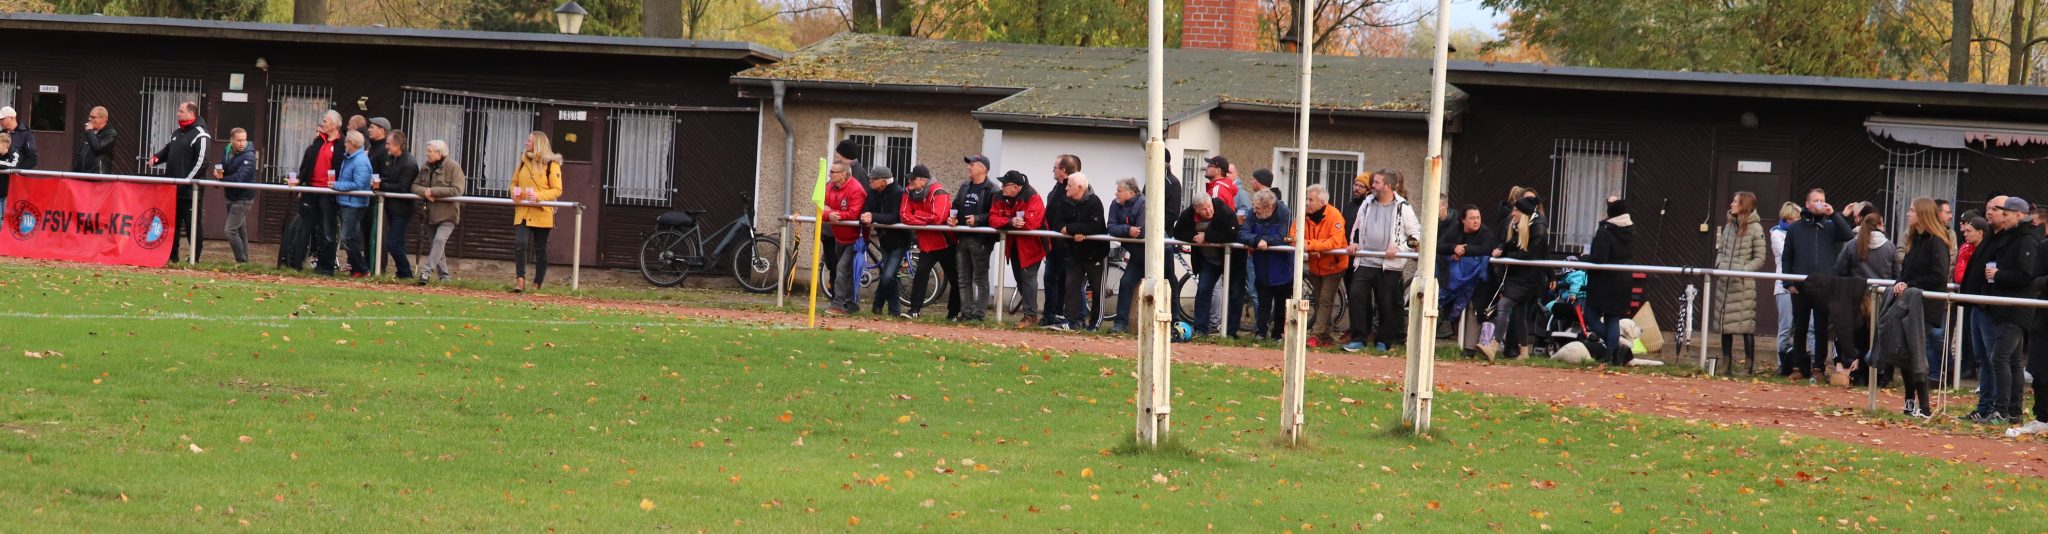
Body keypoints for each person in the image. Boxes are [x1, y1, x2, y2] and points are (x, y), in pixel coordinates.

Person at [1962, 196, 2038, 424]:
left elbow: (2026, 275)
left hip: (2015, 309)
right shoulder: (2014, 237)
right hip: (2005, 307)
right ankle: (2013, 411)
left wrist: (1998, 275)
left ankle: (2002, 410)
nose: (2002, 218)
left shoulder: (2026, 240)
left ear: (2018, 215)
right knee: (2012, 362)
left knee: (1999, 358)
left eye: (2005, 214)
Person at [1344, 170, 1419, 353]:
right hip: (1365, 261)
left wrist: (1400, 249)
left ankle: (1384, 340)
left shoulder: (1403, 207)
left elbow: (1416, 236)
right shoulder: (1367, 203)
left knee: (1387, 303)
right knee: (1356, 296)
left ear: (1388, 186)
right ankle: (1359, 338)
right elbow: (1357, 226)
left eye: (1377, 182)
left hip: (1389, 266)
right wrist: (1353, 243)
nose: (1373, 186)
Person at [1781, 188, 1853, 380]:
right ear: (1807, 204)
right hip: (1801, 285)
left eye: (1822, 200)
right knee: (1800, 327)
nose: (1820, 203)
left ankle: (1819, 368)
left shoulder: (1830, 226)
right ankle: (1797, 367)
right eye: (1816, 200)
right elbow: (1787, 257)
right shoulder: (1795, 228)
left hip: (1823, 285)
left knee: (1821, 328)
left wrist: (1834, 214)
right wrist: (1788, 282)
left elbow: (1848, 235)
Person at [1894, 197, 1953, 406]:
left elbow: (1939, 276)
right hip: (1909, 304)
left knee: (1915, 353)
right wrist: (1901, 283)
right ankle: (1910, 400)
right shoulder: (1913, 240)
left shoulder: (1937, 241)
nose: (1909, 214)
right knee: (1905, 353)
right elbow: (1905, 271)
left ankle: (1924, 405)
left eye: (1912, 210)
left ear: (1923, 214)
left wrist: (1910, 284)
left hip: (1927, 308)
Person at [1481, 194, 1550, 359]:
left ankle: (1493, 346)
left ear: (1524, 213)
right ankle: (1524, 351)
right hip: (1518, 276)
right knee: (1519, 314)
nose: (1512, 213)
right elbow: (1511, 243)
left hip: (1528, 279)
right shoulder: (1518, 225)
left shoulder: (1538, 230)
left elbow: (1533, 255)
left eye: (1516, 210)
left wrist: (1508, 255)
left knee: (1503, 306)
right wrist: (1501, 250)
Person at [1712, 192, 1768, 375]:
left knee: (1746, 326)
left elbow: (1760, 258)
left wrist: (1742, 270)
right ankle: (1726, 364)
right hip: (1725, 282)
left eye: (1735, 201)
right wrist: (1720, 265)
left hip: (1743, 284)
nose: (1732, 203)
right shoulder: (1728, 226)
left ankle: (1748, 367)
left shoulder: (1755, 228)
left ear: (1744, 204)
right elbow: (1721, 251)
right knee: (1724, 326)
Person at [148, 102, 210, 264]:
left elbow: (202, 162)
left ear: (191, 114)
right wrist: (157, 158)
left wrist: (186, 181)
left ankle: (194, 258)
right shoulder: (177, 133)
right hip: (172, 190)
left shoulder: (201, 135)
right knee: (171, 225)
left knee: (192, 225)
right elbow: (169, 149)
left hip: (190, 192)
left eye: (181, 111)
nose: (177, 113)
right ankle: (172, 255)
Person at [287, 111, 346, 275]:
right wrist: (300, 180)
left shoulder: (342, 145)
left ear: (334, 125)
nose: (323, 123)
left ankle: (326, 267)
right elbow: (307, 163)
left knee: (327, 230)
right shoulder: (318, 142)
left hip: (328, 193)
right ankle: (294, 264)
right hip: (311, 190)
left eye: (325, 121)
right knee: (303, 228)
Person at [1172, 191, 1239, 337]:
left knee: (1234, 293)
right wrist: (1194, 237)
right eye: (1203, 209)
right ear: (1196, 209)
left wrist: (1207, 236)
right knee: (1203, 291)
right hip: (1208, 261)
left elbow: (1232, 234)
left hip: (1230, 259)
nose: (1208, 211)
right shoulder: (1188, 214)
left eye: (1209, 207)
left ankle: (1232, 332)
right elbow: (1177, 232)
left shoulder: (1223, 210)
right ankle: (1201, 329)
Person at [988, 170, 1047, 327]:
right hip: (1014, 246)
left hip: (1032, 246)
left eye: (1005, 185)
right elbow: (993, 218)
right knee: (1020, 279)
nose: (1002, 188)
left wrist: (1011, 222)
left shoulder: (1032, 196)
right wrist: (1010, 222)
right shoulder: (1000, 197)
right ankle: (1030, 315)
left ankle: (1030, 316)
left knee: (1028, 279)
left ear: (1015, 187)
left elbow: (1031, 223)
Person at [898, 164, 957, 320]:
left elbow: (938, 219)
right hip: (926, 244)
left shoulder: (939, 192)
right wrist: (924, 219)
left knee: (954, 278)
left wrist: (916, 214)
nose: (909, 182)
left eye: (912, 179)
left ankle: (953, 313)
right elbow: (904, 215)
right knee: (920, 275)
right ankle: (914, 310)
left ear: (923, 180)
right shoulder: (908, 191)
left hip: (946, 243)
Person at [509, 131, 564, 293]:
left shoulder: (552, 165)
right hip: (523, 210)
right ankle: (520, 280)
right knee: (520, 243)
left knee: (540, 249)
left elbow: (557, 190)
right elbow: (513, 182)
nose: (526, 143)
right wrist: (514, 192)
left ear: (538, 144)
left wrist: (539, 196)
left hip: (542, 211)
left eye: (530, 141)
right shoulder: (522, 161)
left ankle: (537, 283)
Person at [1053, 172, 1108, 331]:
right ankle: (1072, 321)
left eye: (1069, 186)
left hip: (1095, 253)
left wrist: (1070, 229)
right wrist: (1073, 232)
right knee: (1071, 286)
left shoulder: (1094, 202)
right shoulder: (1065, 201)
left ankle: (1095, 323)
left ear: (1080, 187)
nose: (1066, 189)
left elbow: (1094, 226)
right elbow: (1057, 222)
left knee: (1097, 289)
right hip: (1074, 252)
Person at [1239, 189, 1294, 340]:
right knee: (1263, 302)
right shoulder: (1252, 213)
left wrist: (1265, 241)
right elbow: (1243, 233)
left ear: (1269, 207)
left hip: (1282, 267)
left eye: (1258, 209)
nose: (1254, 211)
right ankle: (1260, 332)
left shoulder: (1283, 212)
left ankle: (1278, 334)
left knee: (1281, 304)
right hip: (1262, 266)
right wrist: (1257, 240)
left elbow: (1283, 237)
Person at [950, 155, 998, 322]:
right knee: (963, 277)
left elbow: (994, 215)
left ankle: (979, 314)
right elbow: (955, 205)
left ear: (983, 168)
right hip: (962, 237)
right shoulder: (965, 186)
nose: (969, 167)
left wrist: (977, 220)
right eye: (969, 164)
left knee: (980, 278)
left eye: (972, 164)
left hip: (981, 240)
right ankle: (966, 312)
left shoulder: (993, 189)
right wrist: (953, 217)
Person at [1301, 185, 1350, 348]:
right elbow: (1294, 236)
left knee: (1325, 299)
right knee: (1320, 299)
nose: (1307, 203)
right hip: (1316, 266)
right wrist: (1311, 247)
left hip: (1334, 266)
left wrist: (1312, 246)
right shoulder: (1304, 215)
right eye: (1306, 199)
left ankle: (1315, 334)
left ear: (1322, 202)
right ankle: (1327, 337)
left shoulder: (1334, 216)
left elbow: (1335, 241)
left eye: (1310, 199)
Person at [411, 140, 465, 285]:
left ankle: (425, 272)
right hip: (429, 214)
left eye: (429, 151)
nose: (426, 154)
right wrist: (425, 192)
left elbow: (457, 190)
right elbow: (415, 185)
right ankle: (445, 278)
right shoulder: (426, 167)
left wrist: (433, 191)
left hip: (448, 214)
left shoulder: (453, 167)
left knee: (439, 241)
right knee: (437, 246)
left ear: (439, 153)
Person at [1438, 204, 1495, 342]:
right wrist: (1453, 248)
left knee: (1473, 307)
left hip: (1479, 280)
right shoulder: (1456, 228)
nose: (1476, 221)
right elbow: (1439, 245)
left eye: (1478, 218)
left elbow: (1487, 249)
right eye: (1472, 218)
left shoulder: (1486, 232)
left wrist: (1463, 251)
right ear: (1463, 220)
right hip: (1453, 277)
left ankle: (1469, 346)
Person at [1769, 202, 1812, 377]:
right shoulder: (1777, 234)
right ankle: (1782, 363)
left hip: (1802, 285)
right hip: (1783, 286)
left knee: (1806, 325)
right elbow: (1789, 254)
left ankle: (1804, 362)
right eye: (1796, 219)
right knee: (1785, 326)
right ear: (1788, 219)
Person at [862, 164, 910, 317]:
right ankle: (894, 311)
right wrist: (864, 216)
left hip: (899, 241)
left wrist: (873, 216)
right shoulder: (873, 192)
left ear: (882, 182)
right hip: (885, 239)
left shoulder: (898, 192)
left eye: (873, 179)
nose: (870, 182)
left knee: (887, 275)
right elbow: (867, 209)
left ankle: (877, 304)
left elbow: (894, 217)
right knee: (892, 276)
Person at [820, 160, 865, 313]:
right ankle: (852, 304)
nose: (830, 174)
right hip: (839, 236)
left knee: (841, 269)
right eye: (830, 171)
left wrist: (833, 213)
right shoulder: (829, 187)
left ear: (844, 174)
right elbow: (821, 207)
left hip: (855, 237)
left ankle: (838, 304)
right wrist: (829, 214)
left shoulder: (856, 189)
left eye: (833, 172)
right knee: (847, 271)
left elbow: (854, 214)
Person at [1041, 155, 1081, 328]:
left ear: (1064, 171)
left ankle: (1076, 318)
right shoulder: (1056, 188)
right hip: (1054, 244)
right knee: (1050, 279)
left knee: (1071, 282)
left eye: (1055, 167)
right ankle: (1050, 314)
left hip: (1068, 245)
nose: (1053, 170)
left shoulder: (1074, 189)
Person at [330, 131, 374, 278]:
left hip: (354, 204)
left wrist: (336, 185)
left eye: (347, 142)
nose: (344, 145)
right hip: (349, 202)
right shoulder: (351, 158)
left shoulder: (360, 161)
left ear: (352, 144)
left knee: (348, 237)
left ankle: (362, 268)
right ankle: (358, 268)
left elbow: (359, 184)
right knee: (351, 237)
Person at [1107, 177, 1146, 333]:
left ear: (1131, 192)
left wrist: (1125, 229)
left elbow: (1141, 232)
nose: (1116, 193)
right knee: (1125, 283)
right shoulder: (1115, 204)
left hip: (1157, 255)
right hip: (1137, 256)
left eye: (1119, 191)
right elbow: (1110, 227)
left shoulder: (1143, 204)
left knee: (1170, 285)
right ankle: (1120, 324)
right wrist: (1127, 229)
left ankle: (1174, 322)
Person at [379, 130, 420, 280]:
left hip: (402, 209)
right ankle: (403, 273)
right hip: (393, 208)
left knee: (393, 243)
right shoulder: (393, 159)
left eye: (389, 144)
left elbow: (403, 187)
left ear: (398, 145)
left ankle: (406, 272)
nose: (386, 147)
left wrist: (382, 185)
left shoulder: (409, 163)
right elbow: (390, 178)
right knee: (398, 242)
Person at [217, 128, 259, 264]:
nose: (242, 143)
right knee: (241, 231)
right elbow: (222, 164)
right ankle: (245, 263)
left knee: (229, 230)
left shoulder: (249, 156)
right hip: (231, 195)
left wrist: (221, 180)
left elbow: (239, 178)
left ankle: (241, 260)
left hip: (243, 198)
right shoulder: (228, 148)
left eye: (244, 140)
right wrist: (218, 172)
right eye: (239, 140)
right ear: (231, 140)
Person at [74, 106, 115, 173]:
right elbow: (80, 152)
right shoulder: (90, 132)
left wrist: (90, 131)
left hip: (97, 178)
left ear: (103, 119)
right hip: (81, 175)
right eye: (89, 116)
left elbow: (98, 147)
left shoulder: (110, 134)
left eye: (93, 117)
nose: (89, 119)